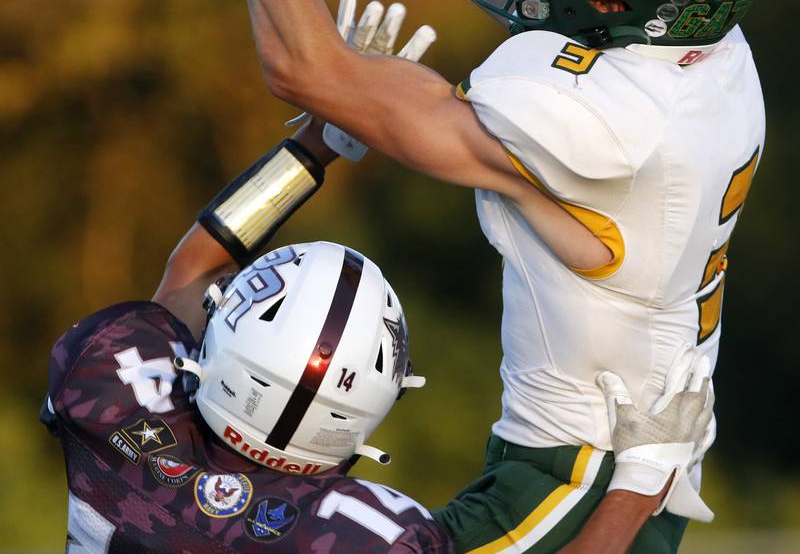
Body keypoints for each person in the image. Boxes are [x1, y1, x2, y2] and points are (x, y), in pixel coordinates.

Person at [200, 0, 761, 552]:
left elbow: (304, 70)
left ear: (615, 0)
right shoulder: (704, 42)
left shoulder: (607, 131)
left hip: (579, 481)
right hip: (629, 455)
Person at [41, 88, 713, 553]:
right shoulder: (360, 530)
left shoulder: (114, 388)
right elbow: (197, 269)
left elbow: (192, 267)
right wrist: (640, 481)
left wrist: (316, 142)